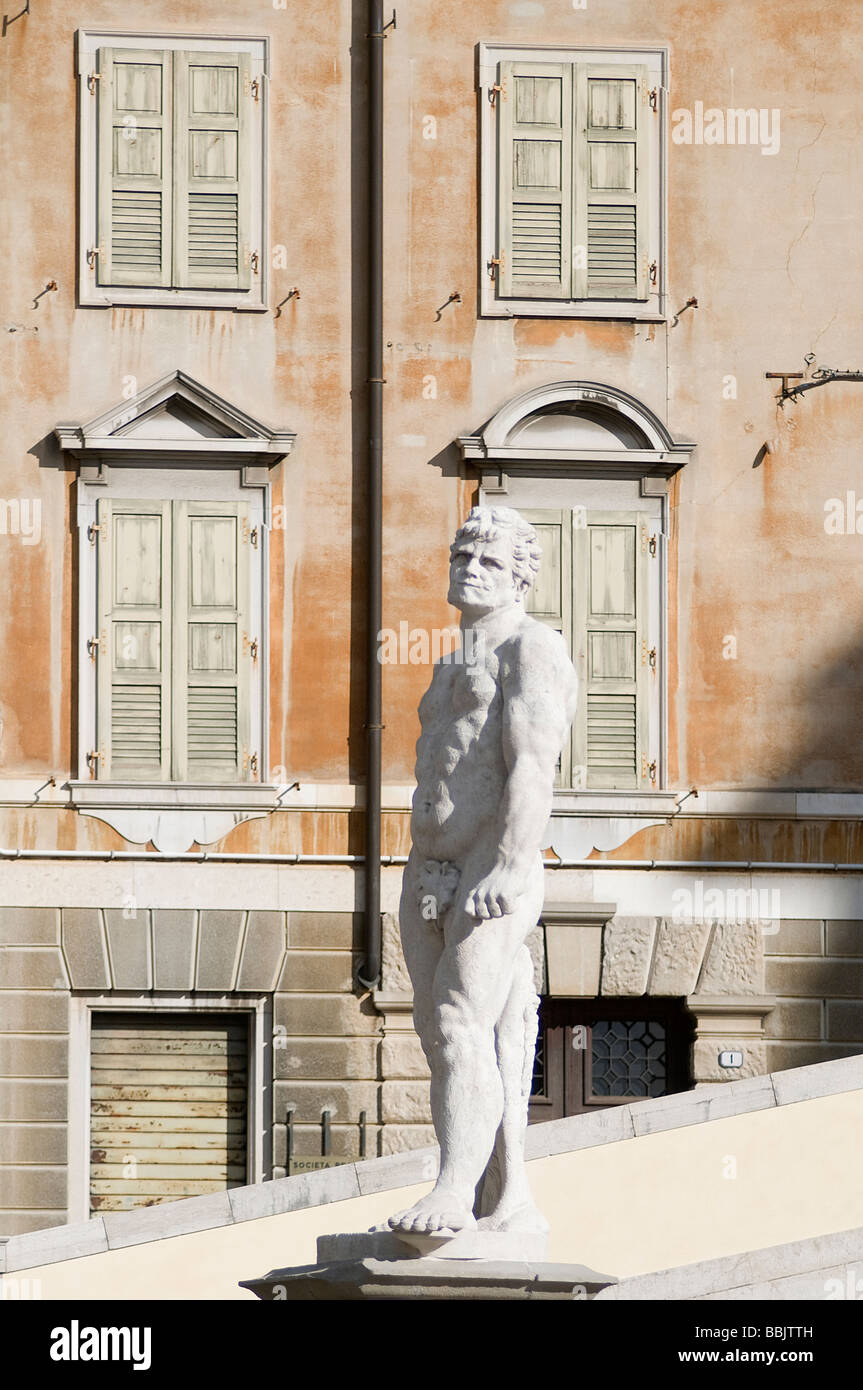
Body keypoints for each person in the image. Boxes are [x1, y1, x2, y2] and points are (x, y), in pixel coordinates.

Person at [387, 505, 578, 1237]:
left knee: (459, 1019)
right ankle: (511, 1197)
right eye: (461, 555)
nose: (469, 568)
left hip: (490, 865)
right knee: (456, 1032)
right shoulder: (447, 660)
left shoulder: (531, 649)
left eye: (489, 561)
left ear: (520, 575)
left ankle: (452, 1192)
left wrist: (508, 861)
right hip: (429, 866)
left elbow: (533, 764)